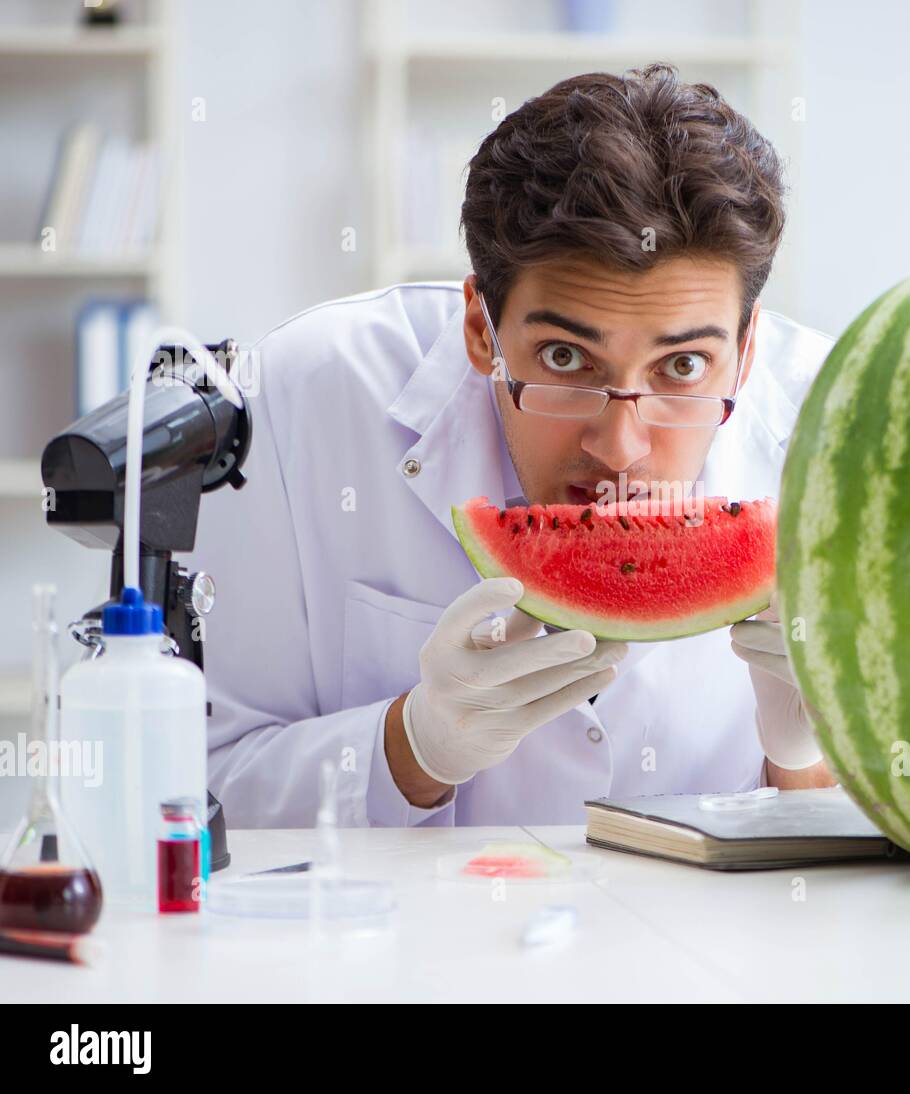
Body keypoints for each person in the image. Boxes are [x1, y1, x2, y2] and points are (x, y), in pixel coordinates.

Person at [188, 64, 837, 827]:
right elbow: (195, 793)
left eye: (683, 367)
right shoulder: (302, 396)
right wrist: (412, 748)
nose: (622, 446)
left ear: (748, 350)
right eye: (566, 359)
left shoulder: (835, 433)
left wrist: (805, 758)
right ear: (480, 328)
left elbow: (903, 874)